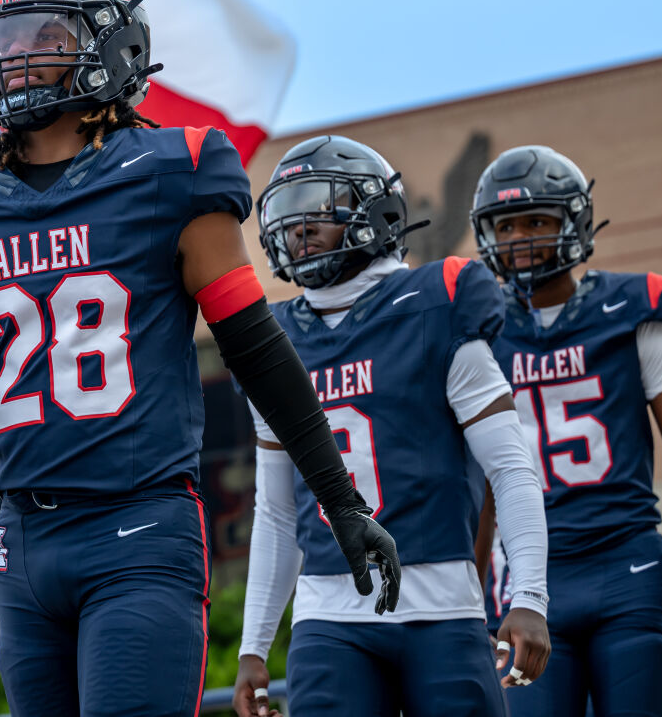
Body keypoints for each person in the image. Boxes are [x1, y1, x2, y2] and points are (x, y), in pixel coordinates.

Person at [0, 0, 401, 717]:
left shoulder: (173, 170)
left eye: (43, 36)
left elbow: (256, 350)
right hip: (20, 541)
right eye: (4, 41)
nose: (18, 60)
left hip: (137, 526)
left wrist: (340, 498)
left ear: (109, 45)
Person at [231, 136, 551, 717]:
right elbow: (277, 510)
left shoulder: (437, 301)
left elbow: (510, 466)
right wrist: (254, 644)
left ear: (373, 211)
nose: (298, 225)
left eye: (316, 204)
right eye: (289, 207)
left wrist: (529, 595)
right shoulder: (273, 339)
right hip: (328, 616)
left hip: (443, 606)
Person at [471, 145, 662, 717]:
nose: (521, 238)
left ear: (574, 224)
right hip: (530, 575)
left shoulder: (635, 308)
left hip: (625, 563)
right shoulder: (481, 331)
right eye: (506, 225)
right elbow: (484, 482)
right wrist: (466, 592)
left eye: (537, 221)